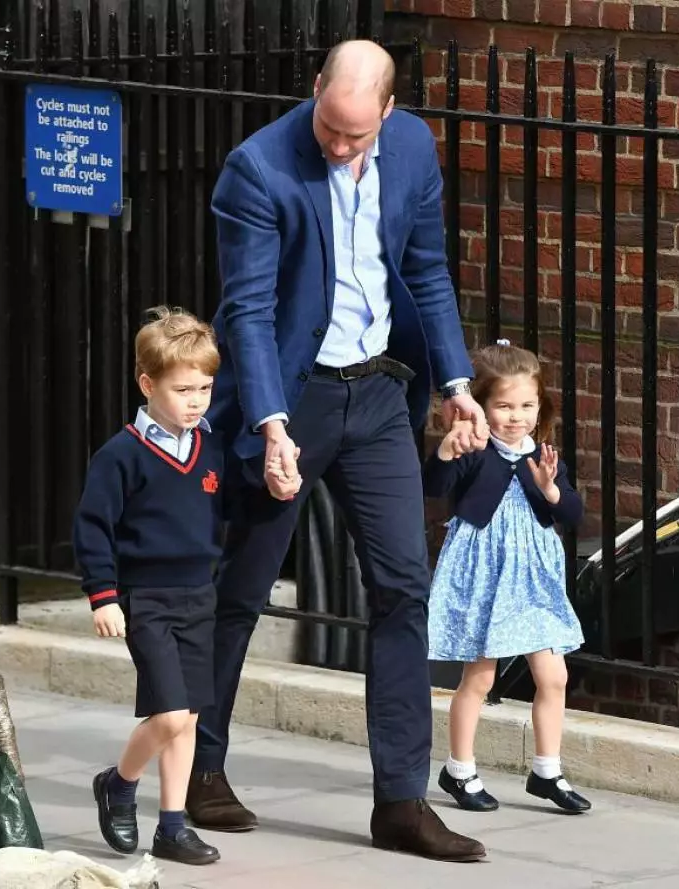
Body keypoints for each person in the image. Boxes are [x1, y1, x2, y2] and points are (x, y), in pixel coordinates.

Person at [186, 39, 489, 861]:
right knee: (242, 590)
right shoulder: (258, 171)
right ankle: (198, 770)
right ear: (316, 90)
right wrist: (270, 425)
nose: (339, 146)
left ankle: (400, 799)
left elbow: (426, 270)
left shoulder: (415, 147)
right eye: (329, 126)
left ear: (387, 112)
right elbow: (246, 311)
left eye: (356, 135)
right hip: (297, 399)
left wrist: (456, 383)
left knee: (403, 587)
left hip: (382, 395)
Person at [72, 307, 226, 867]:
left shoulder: (210, 448)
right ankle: (118, 781)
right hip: (148, 599)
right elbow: (92, 528)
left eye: (205, 387)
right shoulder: (121, 455)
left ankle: (173, 825)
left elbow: (225, 507)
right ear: (147, 383)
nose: (196, 400)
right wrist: (103, 595)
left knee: (188, 717)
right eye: (183, 389)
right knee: (167, 715)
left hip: (198, 595)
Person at [423, 339, 591, 815]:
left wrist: (551, 491)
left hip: (534, 579)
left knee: (553, 676)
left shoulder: (543, 455)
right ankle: (459, 769)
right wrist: (446, 453)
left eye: (527, 405)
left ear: (540, 407)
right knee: (479, 678)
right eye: (503, 405)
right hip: (485, 574)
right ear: (481, 404)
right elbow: (433, 488)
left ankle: (547, 771)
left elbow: (575, 512)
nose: (516, 416)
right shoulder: (475, 449)